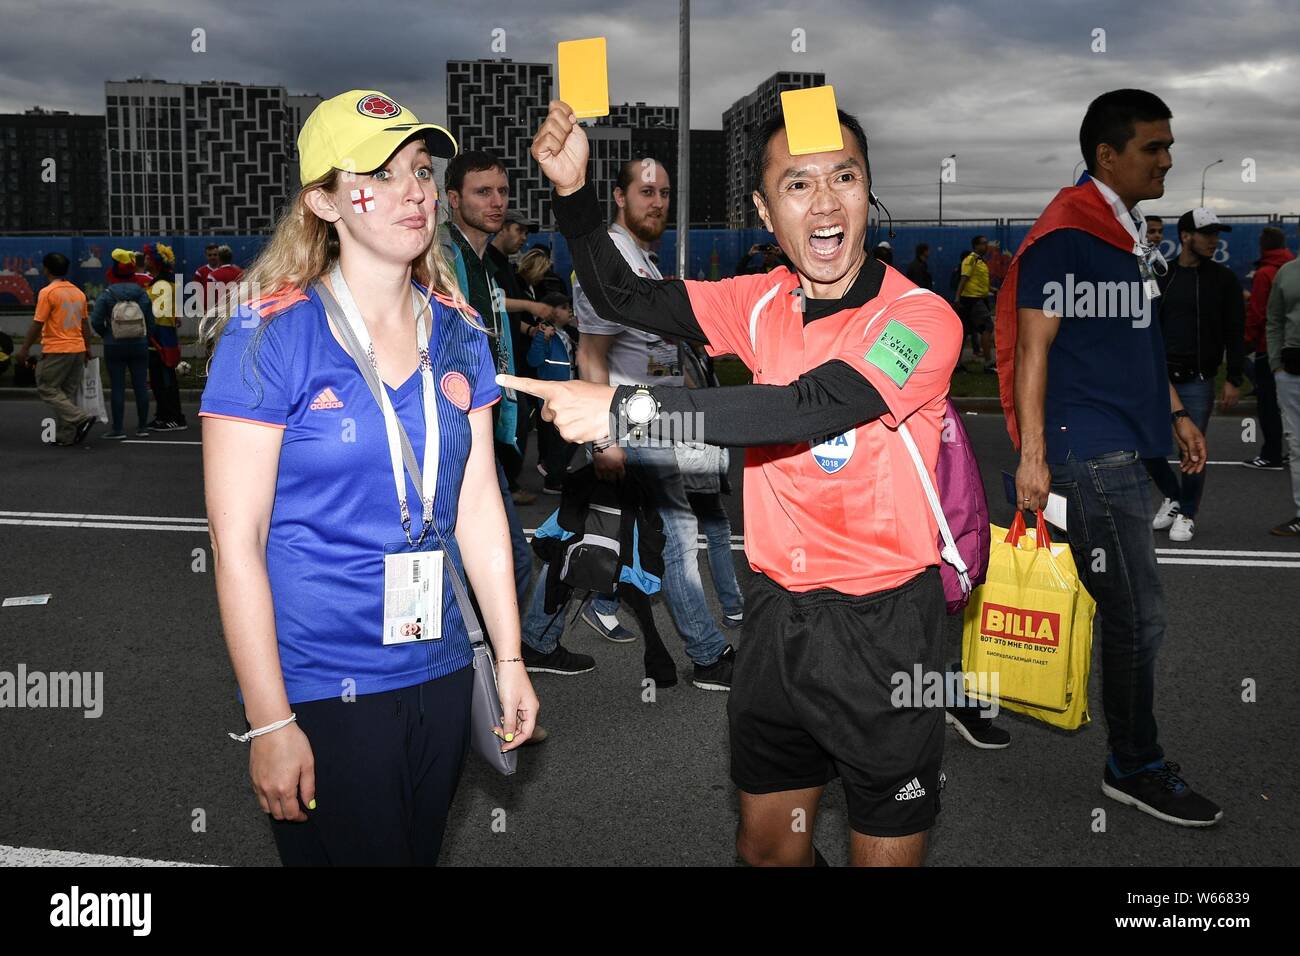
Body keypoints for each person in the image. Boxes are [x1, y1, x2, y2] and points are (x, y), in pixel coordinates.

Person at [509, 99, 963, 866]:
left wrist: (627, 412)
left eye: (844, 177)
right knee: (765, 854)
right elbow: (624, 295)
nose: (824, 202)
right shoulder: (759, 301)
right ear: (763, 208)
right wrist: (576, 194)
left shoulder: (921, 318)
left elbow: (806, 405)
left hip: (886, 630)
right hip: (778, 618)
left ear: (868, 192)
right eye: (797, 184)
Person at [198, 89, 537, 866]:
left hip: (444, 665)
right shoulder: (268, 334)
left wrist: (510, 659)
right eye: (377, 176)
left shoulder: (459, 331)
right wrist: (270, 721)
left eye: (419, 170)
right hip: (322, 682)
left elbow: (479, 504)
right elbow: (237, 543)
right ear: (323, 200)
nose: (412, 192)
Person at [1000, 88, 1221, 827]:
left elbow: (1133, 341)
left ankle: (966, 689)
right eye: (1154, 147)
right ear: (1108, 155)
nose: (1167, 158)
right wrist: (1034, 458)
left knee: (1082, 595)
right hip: (1088, 450)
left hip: (1125, 437)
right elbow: (1034, 348)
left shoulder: (1125, 234)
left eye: (1167, 145)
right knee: (1136, 614)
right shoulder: (1068, 232)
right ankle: (1133, 763)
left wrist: (1177, 410)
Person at [547, 154, 739, 686]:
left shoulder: (642, 260)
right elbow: (591, 354)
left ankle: (537, 636)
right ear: (620, 196)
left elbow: (663, 351)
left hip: (660, 418)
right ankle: (707, 654)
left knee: (591, 529)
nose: (657, 202)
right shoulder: (610, 261)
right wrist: (606, 440)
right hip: (631, 424)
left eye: (663, 193)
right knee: (676, 537)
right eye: (646, 191)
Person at [442, 149, 534, 612]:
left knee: (497, 560)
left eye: (501, 191)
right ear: (453, 199)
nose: (497, 201)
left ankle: (494, 662)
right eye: (483, 192)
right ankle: (496, 662)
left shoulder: (484, 262)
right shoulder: (438, 256)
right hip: (450, 433)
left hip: (479, 428)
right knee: (504, 559)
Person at [1146, 208, 1244, 541]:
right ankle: (1172, 496)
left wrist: (1234, 377)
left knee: (1192, 450)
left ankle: (1187, 513)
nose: (1214, 240)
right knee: (1147, 445)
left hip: (1198, 380)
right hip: (1159, 380)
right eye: (1207, 233)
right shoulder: (1162, 276)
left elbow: (1235, 331)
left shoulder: (1224, 279)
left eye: (1217, 234)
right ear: (1186, 236)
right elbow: (1145, 326)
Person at [488, 209, 547, 503]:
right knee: (515, 418)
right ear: (503, 229)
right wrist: (531, 307)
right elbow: (493, 302)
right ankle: (506, 487)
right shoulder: (487, 260)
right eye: (519, 230)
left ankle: (506, 484)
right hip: (496, 358)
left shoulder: (506, 265)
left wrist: (527, 330)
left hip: (512, 355)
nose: (524, 238)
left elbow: (506, 315)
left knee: (517, 418)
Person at [16, 252, 95, 446]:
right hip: (77, 349)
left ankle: (81, 418)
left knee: (47, 387)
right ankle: (65, 436)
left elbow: (37, 323)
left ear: (47, 269)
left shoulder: (48, 292)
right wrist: (87, 348)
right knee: (66, 393)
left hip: (57, 349)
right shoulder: (78, 292)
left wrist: (24, 348)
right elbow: (85, 324)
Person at [90, 248, 156, 439]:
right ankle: (142, 427)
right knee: (140, 386)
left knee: (117, 387)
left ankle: (117, 429)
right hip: (139, 344)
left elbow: (95, 320)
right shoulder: (141, 293)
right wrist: (145, 336)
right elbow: (150, 321)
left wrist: (106, 334)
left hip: (114, 345)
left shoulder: (108, 293)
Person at [1243, 226, 1294, 469]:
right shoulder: (1290, 269)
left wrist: (1246, 342)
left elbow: (1259, 314)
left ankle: (1271, 453)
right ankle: (1289, 451)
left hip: (1269, 347)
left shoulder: (1265, 274)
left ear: (1263, 246)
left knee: (1268, 405)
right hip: (1291, 347)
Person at [525, 292, 577, 493]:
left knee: (568, 437)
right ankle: (554, 478)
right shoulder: (546, 334)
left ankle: (553, 468)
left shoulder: (567, 334)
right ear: (551, 311)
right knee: (565, 437)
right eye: (564, 307)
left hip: (567, 393)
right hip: (554, 396)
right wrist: (541, 339)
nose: (569, 310)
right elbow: (534, 360)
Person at [1266, 256, 1300, 535]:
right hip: (1291, 371)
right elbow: (1274, 319)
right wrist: (1276, 365)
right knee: (1297, 445)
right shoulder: (1286, 273)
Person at [142, 242, 188, 432]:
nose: (144, 260)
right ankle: (164, 415)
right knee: (161, 379)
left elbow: (157, 316)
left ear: (155, 261)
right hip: (164, 337)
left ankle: (172, 417)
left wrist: (152, 337)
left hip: (160, 339)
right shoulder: (167, 282)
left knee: (163, 379)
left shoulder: (161, 285)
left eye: (147, 257)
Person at [956, 235, 993, 370]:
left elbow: (978, 281)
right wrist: (957, 298)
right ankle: (988, 363)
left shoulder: (981, 261)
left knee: (965, 331)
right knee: (987, 327)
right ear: (976, 246)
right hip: (972, 300)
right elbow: (964, 279)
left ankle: (957, 364)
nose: (986, 246)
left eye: (986, 243)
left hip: (978, 299)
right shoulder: (971, 260)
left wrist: (992, 290)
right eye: (983, 243)